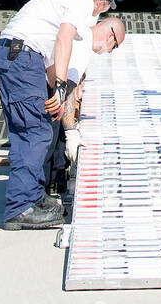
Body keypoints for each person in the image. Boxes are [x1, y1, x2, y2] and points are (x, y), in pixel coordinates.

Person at [0, 0, 117, 229]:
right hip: (21, 58)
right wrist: (60, 87)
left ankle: (33, 198)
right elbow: (63, 40)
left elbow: (50, 53)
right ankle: (20, 208)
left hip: (18, 56)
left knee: (36, 129)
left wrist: (54, 84)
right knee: (34, 132)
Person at [44, 15, 126, 188]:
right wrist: (70, 130)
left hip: (47, 91)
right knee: (45, 148)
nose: (110, 51)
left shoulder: (80, 36)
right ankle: (37, 197)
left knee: (48, 147)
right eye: (115, 46)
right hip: (47, 96)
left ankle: (46, 189)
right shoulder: (81, 46)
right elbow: (67, 92)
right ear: (110, 36)